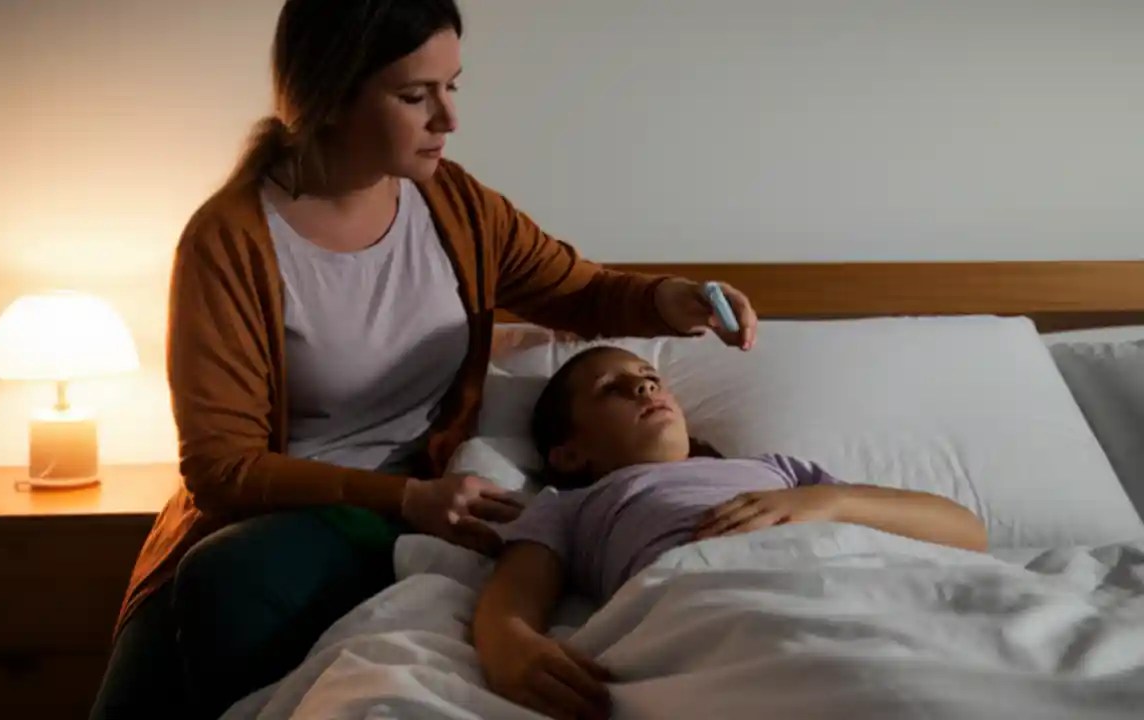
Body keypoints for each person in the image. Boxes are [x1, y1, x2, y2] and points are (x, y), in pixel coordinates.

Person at [89, 1, 761, 718]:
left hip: (421, 506)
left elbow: (582, 289)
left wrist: (673, 298)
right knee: (198, 608)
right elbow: (222, 468)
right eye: (415, 96)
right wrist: (406, 500)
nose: (449, 119)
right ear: (329, 96)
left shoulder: (457, 206)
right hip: (292, 509)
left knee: (227, 584)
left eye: (453, 87)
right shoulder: (230, 241)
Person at [473, 346, 988, 720]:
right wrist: (507, 645)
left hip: (858, 571)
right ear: (568, 453)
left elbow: (967, 533)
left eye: (649, 375)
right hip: (725, 595)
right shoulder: (572, 504)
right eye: (612, 388)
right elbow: (515, 592)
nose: (644, 387)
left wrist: (827, 501)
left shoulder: (779, 471)